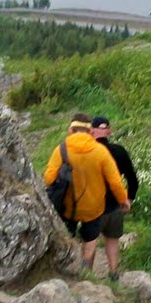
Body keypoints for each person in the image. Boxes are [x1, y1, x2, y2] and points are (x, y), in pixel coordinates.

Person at [43, 113, 129, 273]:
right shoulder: (101, 152)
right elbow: (115, 182)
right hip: (93, 208)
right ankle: (85, 270)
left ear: (70, 130)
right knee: (90, 237)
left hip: (68, 207)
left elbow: (48, 179)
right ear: (90, 132)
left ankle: (61, 267)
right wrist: (123, 200)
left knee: (66, 234)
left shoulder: (61, 150)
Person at [89, 115, 138, 282]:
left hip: (93, 205)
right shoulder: (119, 151)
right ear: (109, 130)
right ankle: (113, 273)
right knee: (112, 239)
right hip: (116, 204)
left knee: (90, 239)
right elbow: (132, 179)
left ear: (91, 131)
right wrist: (129, 199)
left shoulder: (88, 151)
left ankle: (88, 276)